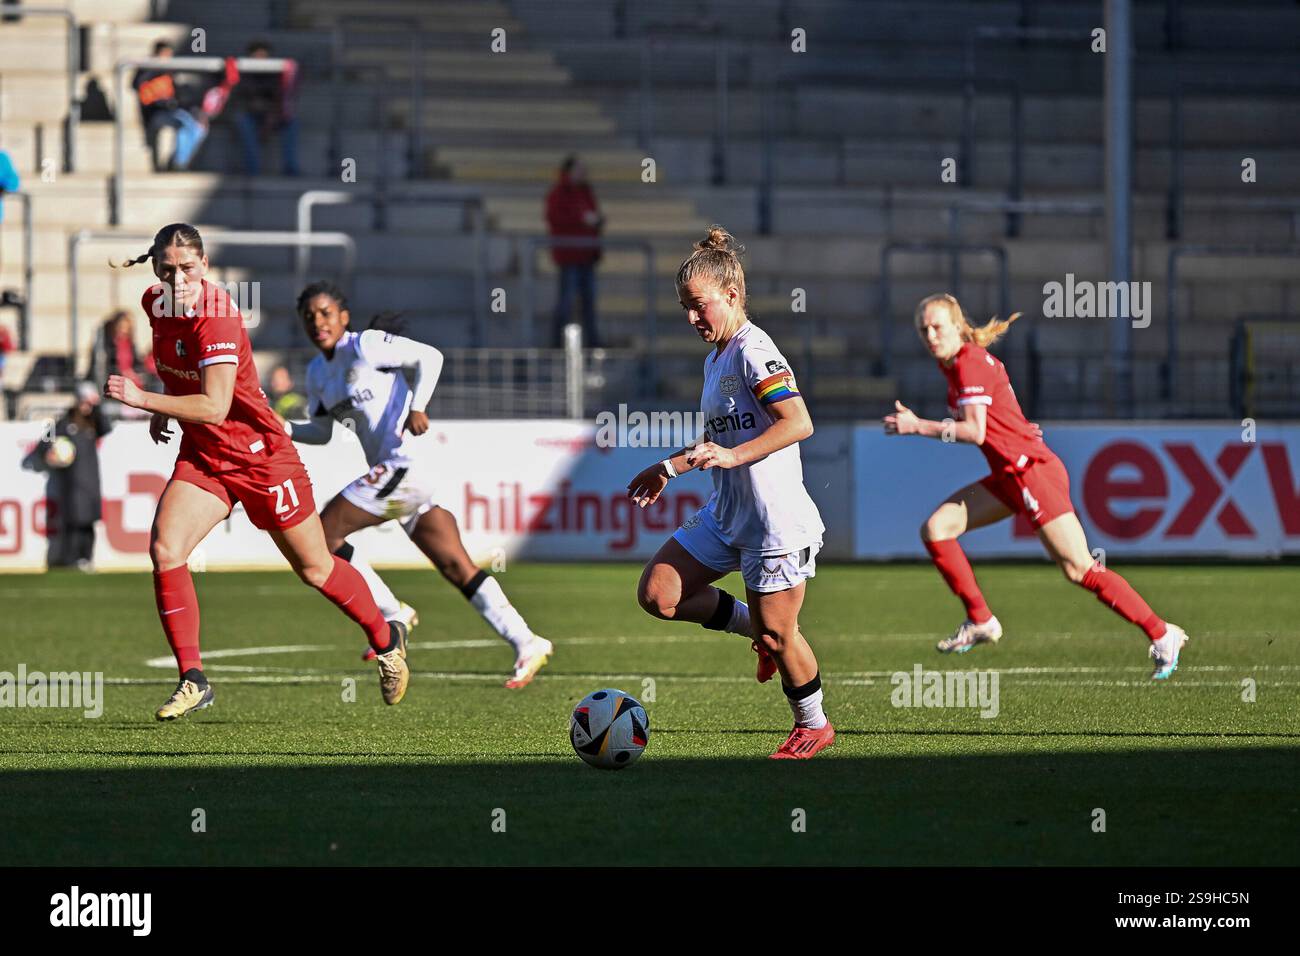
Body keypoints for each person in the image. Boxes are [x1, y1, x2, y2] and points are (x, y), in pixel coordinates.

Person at [104, 224, 409, 722]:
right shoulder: (154, 304)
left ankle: (386, 638)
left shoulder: (218, 316)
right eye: (166, 270)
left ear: (203, 266)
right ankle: (193, 678)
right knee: (165, 548)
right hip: (206, 456)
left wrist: (143, 401)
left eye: (186, 268)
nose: (176, 279)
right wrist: (166, 406)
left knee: (315, 569)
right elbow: (178, 366)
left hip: (260, 455)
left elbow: (216, 404)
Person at [883, 293, 1190, 679]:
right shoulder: (959, 365)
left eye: (937, 326)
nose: (930, 334)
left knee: (1080, 568)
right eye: (923, 329)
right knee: (937, 529)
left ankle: (1162, 634)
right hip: (1009, 475)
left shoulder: (968, 362)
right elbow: (999, 418)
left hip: (1031, 474)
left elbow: (976, 431)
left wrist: (917, 426)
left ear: (957, 326)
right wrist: (1018, 431)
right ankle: (981, 619)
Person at [626, 227, 832, 759]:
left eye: (699, 306)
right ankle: (756, 632)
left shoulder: (754, 351)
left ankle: (813, 723)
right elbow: (727, 436)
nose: (692, 319)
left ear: (732, 295)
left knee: (782, 638)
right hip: (728, 512)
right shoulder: (716, 357)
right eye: (684, 308)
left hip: (773, 521)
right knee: (658, 594)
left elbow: (799, 422)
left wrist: (734, 456)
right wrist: (671, 465)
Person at [286, 283, 553, 687]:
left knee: (323, 535)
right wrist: (282, 428)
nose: (318, 322)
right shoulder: (317, 372)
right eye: (309, 317)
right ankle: (528, 641)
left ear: (343, 315)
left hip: (407, 465)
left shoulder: (366, 345)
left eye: (325, 313)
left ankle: (392, 613)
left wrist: (418, 407)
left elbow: (430, 355)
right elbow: (322, 432)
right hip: (403, 475)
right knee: (455, 565)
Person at [36, 382, 112, 570]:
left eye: (90, 403)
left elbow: (107, 427)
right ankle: (71, 559)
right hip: (73, 480)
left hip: (92, 480)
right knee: (75, 520)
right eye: (85, 402)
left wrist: (97, 406)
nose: (86, 406)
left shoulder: (93, 422)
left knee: (89, 522)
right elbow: (44, 442)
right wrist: (49, 453)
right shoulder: (66, 422)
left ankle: (86, 558)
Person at [545, 156, 603, 347]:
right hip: (569, 256)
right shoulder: (559, 193)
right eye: (579, 169)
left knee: (588, 303)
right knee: (566, 303)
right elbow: (556, 219)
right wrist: (582, 220)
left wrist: (595, 222)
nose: (583, 173)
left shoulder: (585, 191)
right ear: (569, 171)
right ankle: (556, 343)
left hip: (586, 255)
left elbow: (595, 216)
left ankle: (593, 343)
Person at [132, 41, 209, 171]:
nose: (167, 58)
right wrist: (156, 69)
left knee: (199, 127)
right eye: (164, 55)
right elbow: (136, 85)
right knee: (184, 125)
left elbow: (179, 98)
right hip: (155, 113)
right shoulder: (146, 69)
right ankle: (178, 162)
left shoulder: (171, 72)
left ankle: (178, 160)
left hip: (173, 111)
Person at [233, 40, 299, 177]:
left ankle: (290, 169)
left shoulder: (276, 73)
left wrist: (272, 115)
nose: (260, 59)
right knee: (243, 121)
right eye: (256, 55)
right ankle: (253, 170)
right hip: (251, 114)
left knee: (292, 123)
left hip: (273, 115)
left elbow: (281, 97)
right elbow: (243, 97)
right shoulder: (243, 74)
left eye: (263, 55)